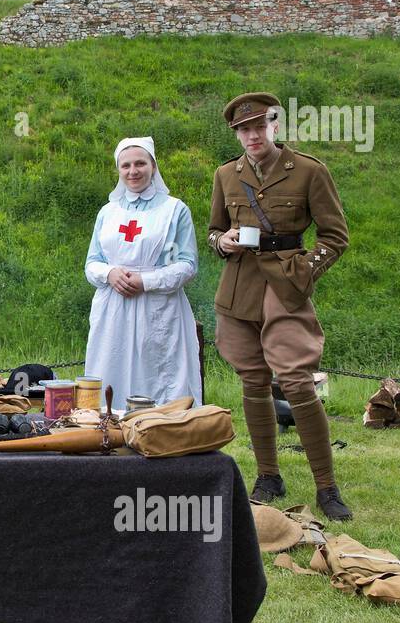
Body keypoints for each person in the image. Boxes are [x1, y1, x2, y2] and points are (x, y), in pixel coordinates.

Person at [207, 92, 351, 520]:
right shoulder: (226, 175)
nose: (251, 136)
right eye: (243, 130)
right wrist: (222, 241)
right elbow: (215, 229)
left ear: (274, 126)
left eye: (258, 127)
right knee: (252, 380)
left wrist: (305, 270)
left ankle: (327, 486)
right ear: (236, 134)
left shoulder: (308, 171)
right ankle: (269, 475)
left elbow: (335, 236)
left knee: (297, 380)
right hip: (239, 287)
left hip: (286, 285)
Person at [84, 137, 202, 409]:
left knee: (160, 375)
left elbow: (185, 264)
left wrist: (146, 281)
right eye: (125, 165)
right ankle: (109, 433)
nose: (133, 171)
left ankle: (163, 434)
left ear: (153, 166)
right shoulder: (108, 212)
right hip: (113, 308)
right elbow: (92, 263)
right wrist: (110, 273)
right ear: (118, 170)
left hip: (158, 307)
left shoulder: (174, 210)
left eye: (140, 163)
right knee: (111, 370)